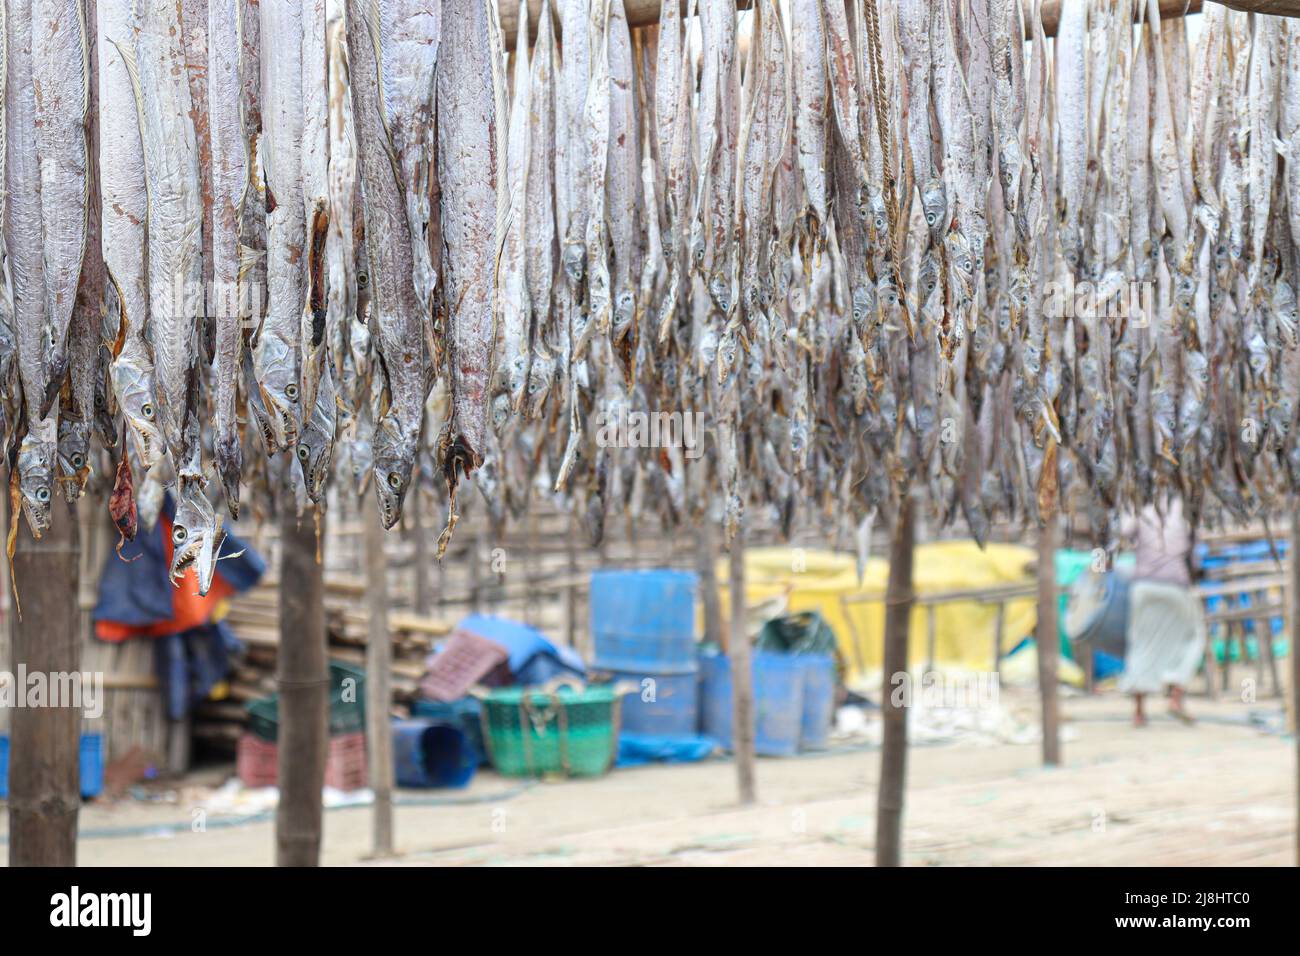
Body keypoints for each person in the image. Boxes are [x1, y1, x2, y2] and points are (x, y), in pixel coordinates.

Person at [1120, 497, 1205, 727]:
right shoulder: (1187, 508)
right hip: (1176, 585)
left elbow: (1119, 535)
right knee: (1194, 637)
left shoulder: (1137, 506)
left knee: (1141, 643)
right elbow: (1194, 557)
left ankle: (1139, 712)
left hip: (1143, 586)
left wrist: (1099, 567)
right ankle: (1176, 697)